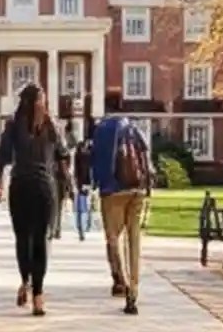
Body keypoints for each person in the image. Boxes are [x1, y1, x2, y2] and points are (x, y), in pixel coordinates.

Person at [0, 83, 70, 317]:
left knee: (22, 239)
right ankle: (38, 294)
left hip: (20, 186)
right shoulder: (51, 126)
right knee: (40, 240)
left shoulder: (13, 126)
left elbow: (3, 156)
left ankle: (25, 281)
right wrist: (66, 180)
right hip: (44, 187)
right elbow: (64, 155)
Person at [91, 116, 153, 315]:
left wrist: (96, 186)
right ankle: (134, 290)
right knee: (133, 241)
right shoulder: (135, 130)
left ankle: (122, 282)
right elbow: (146, 159)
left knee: (113, 239)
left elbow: (97, 163)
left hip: (113, 192)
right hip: (138, 190)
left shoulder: (102, 132)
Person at [73, 136, 94, 241]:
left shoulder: (80, 155)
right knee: (85, 208)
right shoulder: (88, 154)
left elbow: (77, 171)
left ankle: (83, 228)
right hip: (85, 182)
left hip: (82, 183)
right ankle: (83, 228)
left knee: (82, 208)